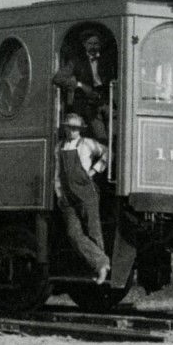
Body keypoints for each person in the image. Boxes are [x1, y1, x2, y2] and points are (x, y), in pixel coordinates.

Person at [55, 113, 111, 285]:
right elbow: (57, 174)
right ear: (64, 128)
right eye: (69, 127)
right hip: (67, 196)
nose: (72, 130)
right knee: (73, 233)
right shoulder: (58, 147)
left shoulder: (87, 144)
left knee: (93, 231)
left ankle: (100, 269)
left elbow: (108, 153)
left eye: (75, 128)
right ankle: (101, 263)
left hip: (87, 192)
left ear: (80, 129)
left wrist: (94, 171)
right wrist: (59, 193)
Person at [52, 29, 116, 141]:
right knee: (101, 137)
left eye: (96, 44)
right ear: (84, 45)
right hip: (88, 104)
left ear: (100, 45)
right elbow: (59, 78)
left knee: (117, 132)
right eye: (90, 44)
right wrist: (79, 84)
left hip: (106, 101)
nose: (93, 47)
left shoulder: (107, 61)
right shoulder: (77, 61)